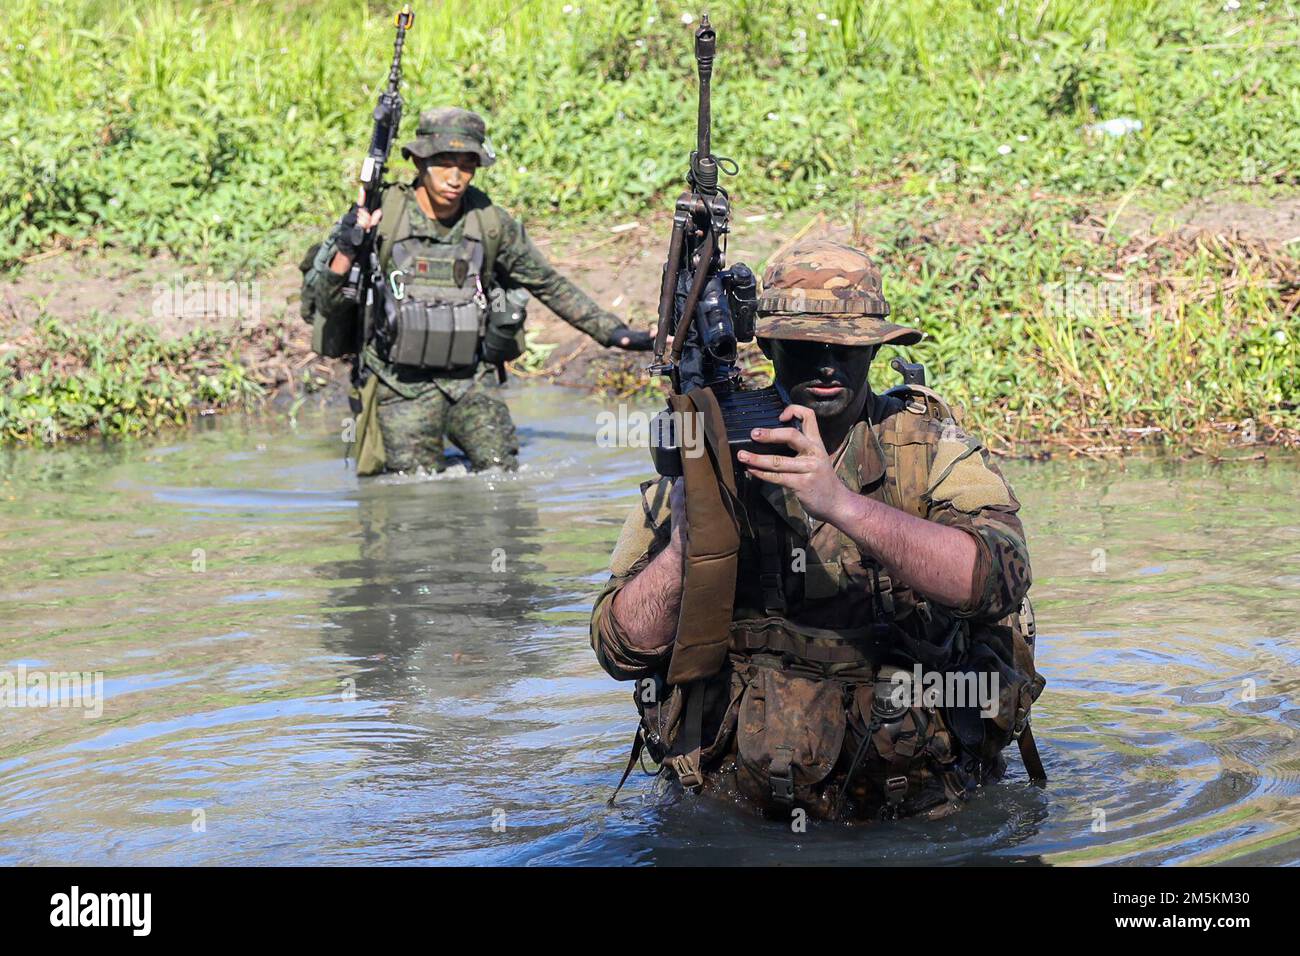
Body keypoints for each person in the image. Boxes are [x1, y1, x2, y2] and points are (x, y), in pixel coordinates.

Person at [589, 239, 1045, 820]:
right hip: (740, 804)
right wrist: (687, 538)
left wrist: (843, 505)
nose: (828, 365)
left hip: (916, 798)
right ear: (771, 345)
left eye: (846, 348)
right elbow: (620, 648)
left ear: (876, 350)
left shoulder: (928, 451)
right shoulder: (717, 451)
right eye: (807, 348)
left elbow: (999, 580)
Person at [301, 106, 651, 474]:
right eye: (444, 163)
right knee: (409, 491)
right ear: (420, 162)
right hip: (398, 385)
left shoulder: (488, 221)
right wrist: (349, 245)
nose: (455, 177)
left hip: (470, 381)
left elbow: (547, 283)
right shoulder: (383, 215)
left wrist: (613, 333)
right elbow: (324, 301)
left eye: (466, 165)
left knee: (501, 472)